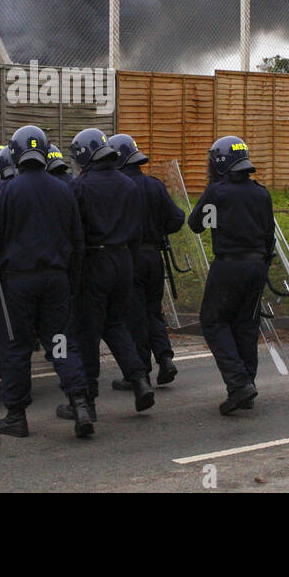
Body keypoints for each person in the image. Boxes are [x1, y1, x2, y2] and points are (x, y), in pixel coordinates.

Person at [0, 126, 93, 438]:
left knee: (15, 346)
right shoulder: (64, 190)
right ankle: (80, 401)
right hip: (57, 279)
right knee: (61, 342)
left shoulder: (4, 193)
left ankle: (16, 415)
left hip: (17, 283)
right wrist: (72, 280)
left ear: (14, 154)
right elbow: (77, 240)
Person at [59, 128, 155, 421]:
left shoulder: (79, 186)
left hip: (94, 260)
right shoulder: (129, 185)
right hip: (123, 259)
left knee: (87, 332)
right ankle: (139, 379)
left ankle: (88, 400)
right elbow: (137, 231)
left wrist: (74, 271)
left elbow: (74, 233)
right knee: (116, 324)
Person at [188, 136, 275, 415]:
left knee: (213, 321)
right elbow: (269, 235)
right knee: (246, 325)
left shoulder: (218, 192)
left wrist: (212, 193)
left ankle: (238, 384)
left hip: (229, 266)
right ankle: (246, 386)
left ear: (220, 163)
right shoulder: (261, 193)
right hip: (257, 266)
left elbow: (196, 224)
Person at [108, 133, 185, 389]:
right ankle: (165, 357)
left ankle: (139, 373)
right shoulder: (154, 185)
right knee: (153, 310)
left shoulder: (117, 187)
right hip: (154, 256)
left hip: (129, 257)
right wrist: (157, 229)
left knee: (134, 314)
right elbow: (176, 219)